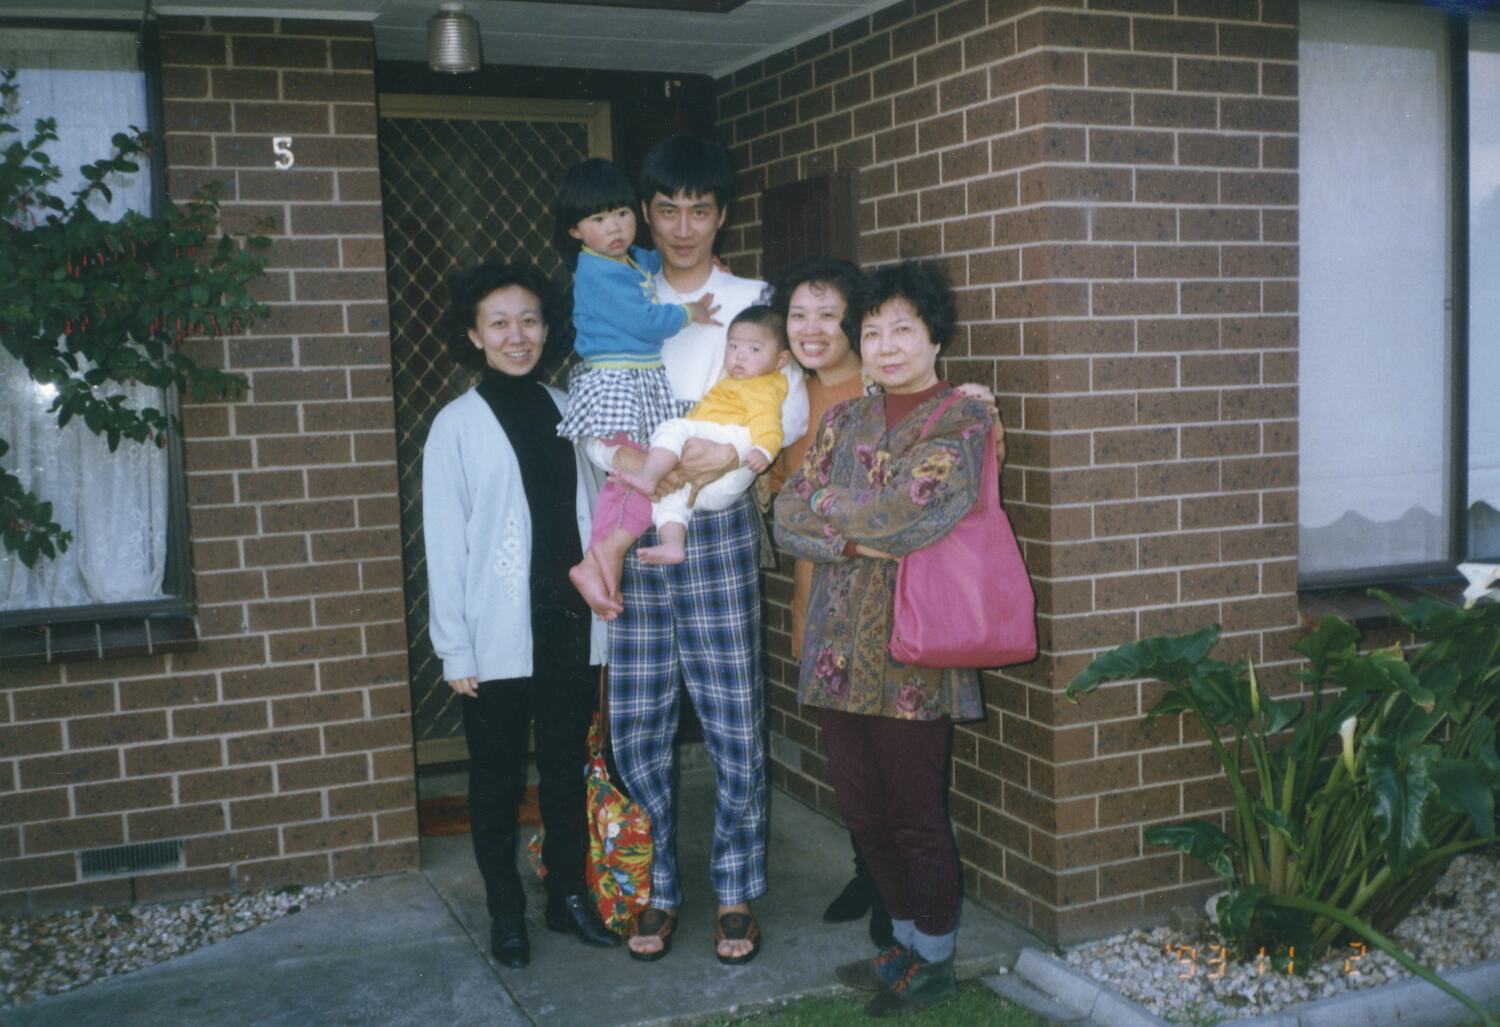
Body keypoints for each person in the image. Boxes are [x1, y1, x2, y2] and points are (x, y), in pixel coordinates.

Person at [585, 133, 808, 964]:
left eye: (701, 209)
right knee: (638, 715)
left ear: (723, 215)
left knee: (731, 715)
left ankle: (735, 887)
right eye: (668, 209)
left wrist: (735, 457)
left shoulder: (753, 296)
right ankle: (654, 889)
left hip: (715, 525)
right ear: (646, 213)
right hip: (640, 513)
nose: (684, 227)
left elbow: (787, 400)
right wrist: (631, 467)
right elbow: (594, 403)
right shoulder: (618, 285)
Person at [773, 260, 992, 1017]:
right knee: (863, 815)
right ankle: (899, 942)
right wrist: (857, 536)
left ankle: (934, 958)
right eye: (871, 330)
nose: (887, 344)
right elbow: (786, 515)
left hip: (913, 653)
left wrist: (836, 508)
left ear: (936, 337)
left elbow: (918, 511)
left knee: (915, 815)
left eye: (903, 328)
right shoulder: (841, 422)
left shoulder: (962, 418)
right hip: (836, 646)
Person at [422, 261, 619, 970]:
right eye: (498, 322)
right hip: (497, 636)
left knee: (566, 770)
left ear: (548, 327)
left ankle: (568, 896)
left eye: (529, 319)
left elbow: (598, 517)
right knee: (497, 778)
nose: (516, 334)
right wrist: (456, 649)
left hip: (570, 626)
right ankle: (505, 910)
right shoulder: (456, 426)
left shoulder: (571, 408)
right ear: (473, 333)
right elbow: (444, 544)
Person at [765, 256, 893, 950]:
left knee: (884, 745)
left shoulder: (878, 388)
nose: (811, 328)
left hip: (875, 594)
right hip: (815, 589)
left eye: (828, 313)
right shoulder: (783, 395)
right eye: (798, 313)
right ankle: (867, 869)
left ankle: (892, 882)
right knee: (845, 750)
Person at [550, 157, 721, 613]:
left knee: (631, 480)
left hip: (634, 375)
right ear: (574, 231)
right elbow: (644, 321)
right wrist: (690, 312)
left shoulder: (620, 258)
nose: (616, 227)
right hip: (618, 378)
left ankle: (601, 556)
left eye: (622, 214)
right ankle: (604, 553)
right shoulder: (597, 273)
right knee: (637, 479)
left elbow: (650, 261)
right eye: (599, 219)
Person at [612, 304, 791, 565]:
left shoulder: (762, 386)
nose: (740, 356)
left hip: (724, 450)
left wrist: (763, 450)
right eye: (733, 347)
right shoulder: (741, 380)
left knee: (672, 427)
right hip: (715, 491)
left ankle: (649, 477)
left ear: (780, 360)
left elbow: (770, 424)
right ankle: (673, 545)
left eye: (753, 349)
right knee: (672, 499)